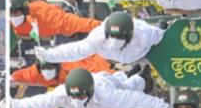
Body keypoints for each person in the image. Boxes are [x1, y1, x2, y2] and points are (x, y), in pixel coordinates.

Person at [10, 68, 169, 108]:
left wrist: (163, 106)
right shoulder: (61, 94)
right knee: (121, 79)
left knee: (128, 87)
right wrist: (14, 105)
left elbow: (136, 98)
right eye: (73, 95)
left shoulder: (108, 96)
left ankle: (142, 75)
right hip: (92, 78)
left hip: (106, 81)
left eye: (80, 95)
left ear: (90, 92)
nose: (76, 99)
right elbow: (39, 102)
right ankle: (128, 72)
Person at [34, 11, 164, 67]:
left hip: (147, 52)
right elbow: (75, 50)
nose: (114, 40)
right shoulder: (98, 38)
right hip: (117, 60)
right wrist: (49, 55)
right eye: (112, 36)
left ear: (129, 35)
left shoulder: (143, 35)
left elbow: (165, 39)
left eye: (119, 37)